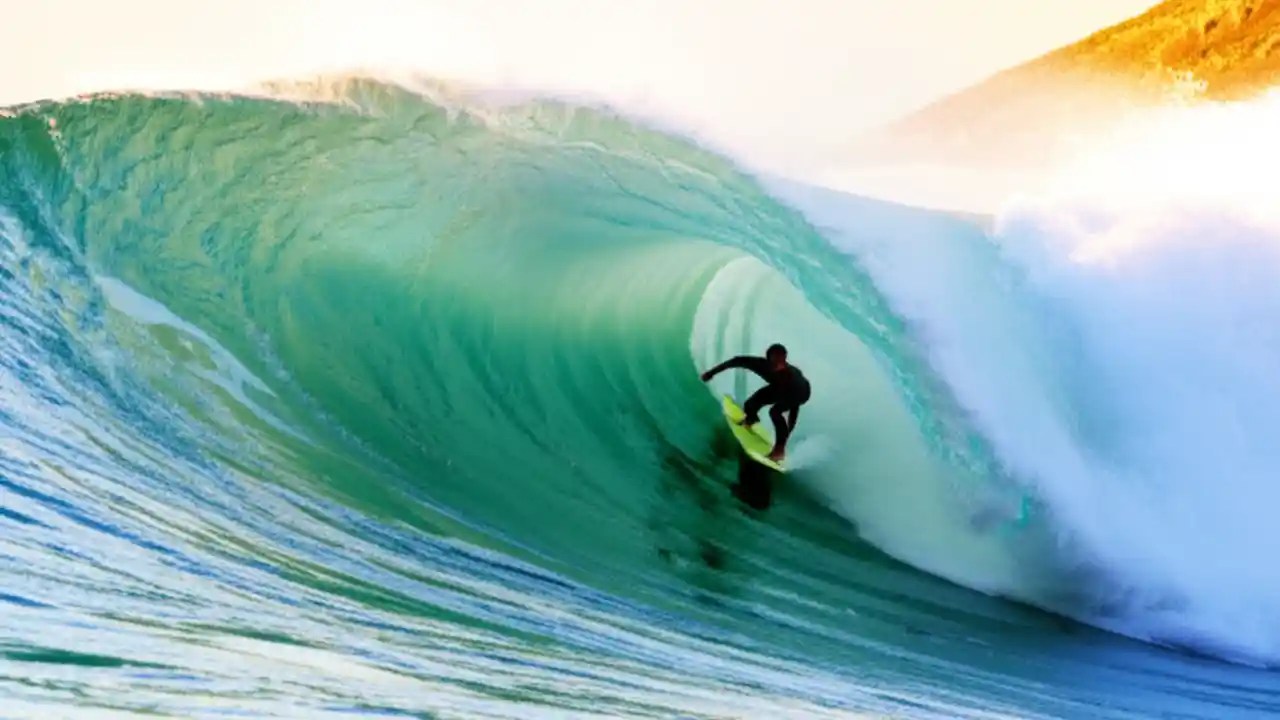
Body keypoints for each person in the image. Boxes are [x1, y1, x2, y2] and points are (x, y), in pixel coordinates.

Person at [701, 343, 810, 462]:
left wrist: (786, 434)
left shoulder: (793, 377)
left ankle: (779, 451)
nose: (778, 366)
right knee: (750, 404)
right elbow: (736, 361)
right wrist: (711, 373)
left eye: (780, 362)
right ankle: (752, 419)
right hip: (778, 388)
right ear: (768, 360)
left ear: (784, 359)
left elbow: (795, 407)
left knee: (775, 412)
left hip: (801, 393)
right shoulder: (761, 365)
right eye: (774, 362)